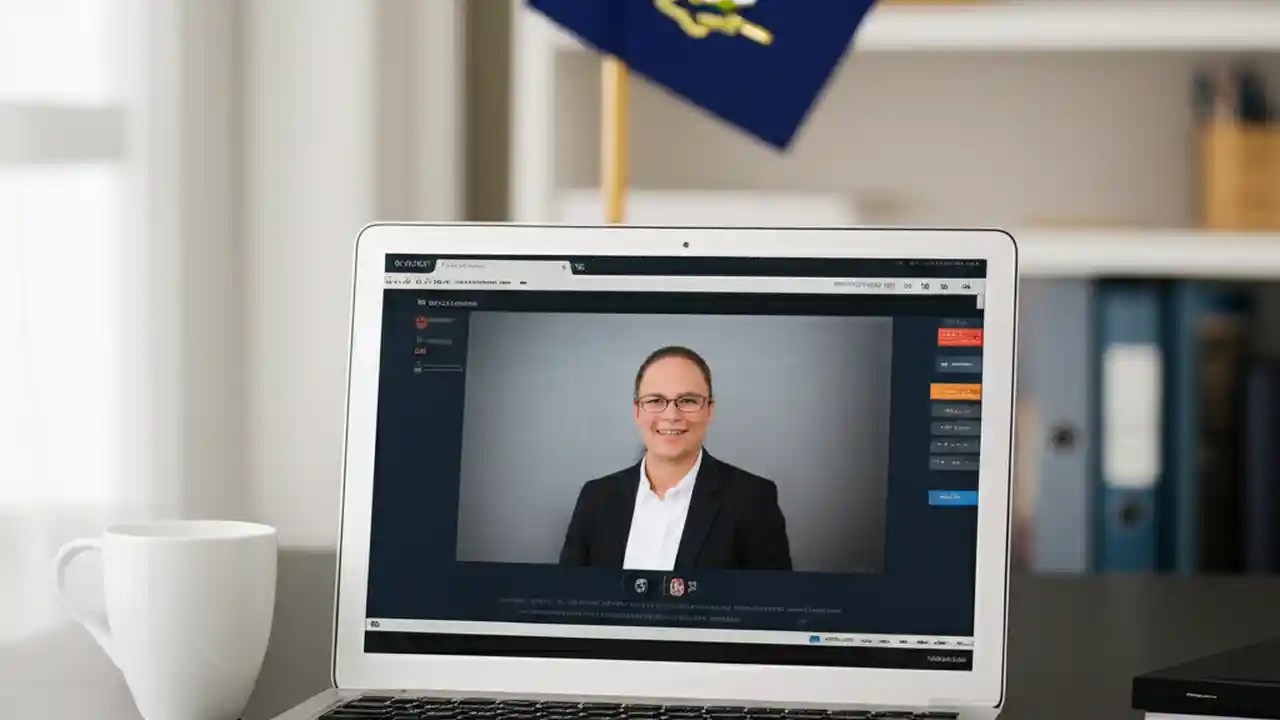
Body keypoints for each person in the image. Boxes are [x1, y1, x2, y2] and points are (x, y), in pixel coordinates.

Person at [559, 345, 792, 571]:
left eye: (688, 401)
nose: (671, 415)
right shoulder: (596, 499)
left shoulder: (753, 500)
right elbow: (568, 600)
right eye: (655, 401)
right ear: (637, 410)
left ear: (709, 409)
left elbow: (772, 606)